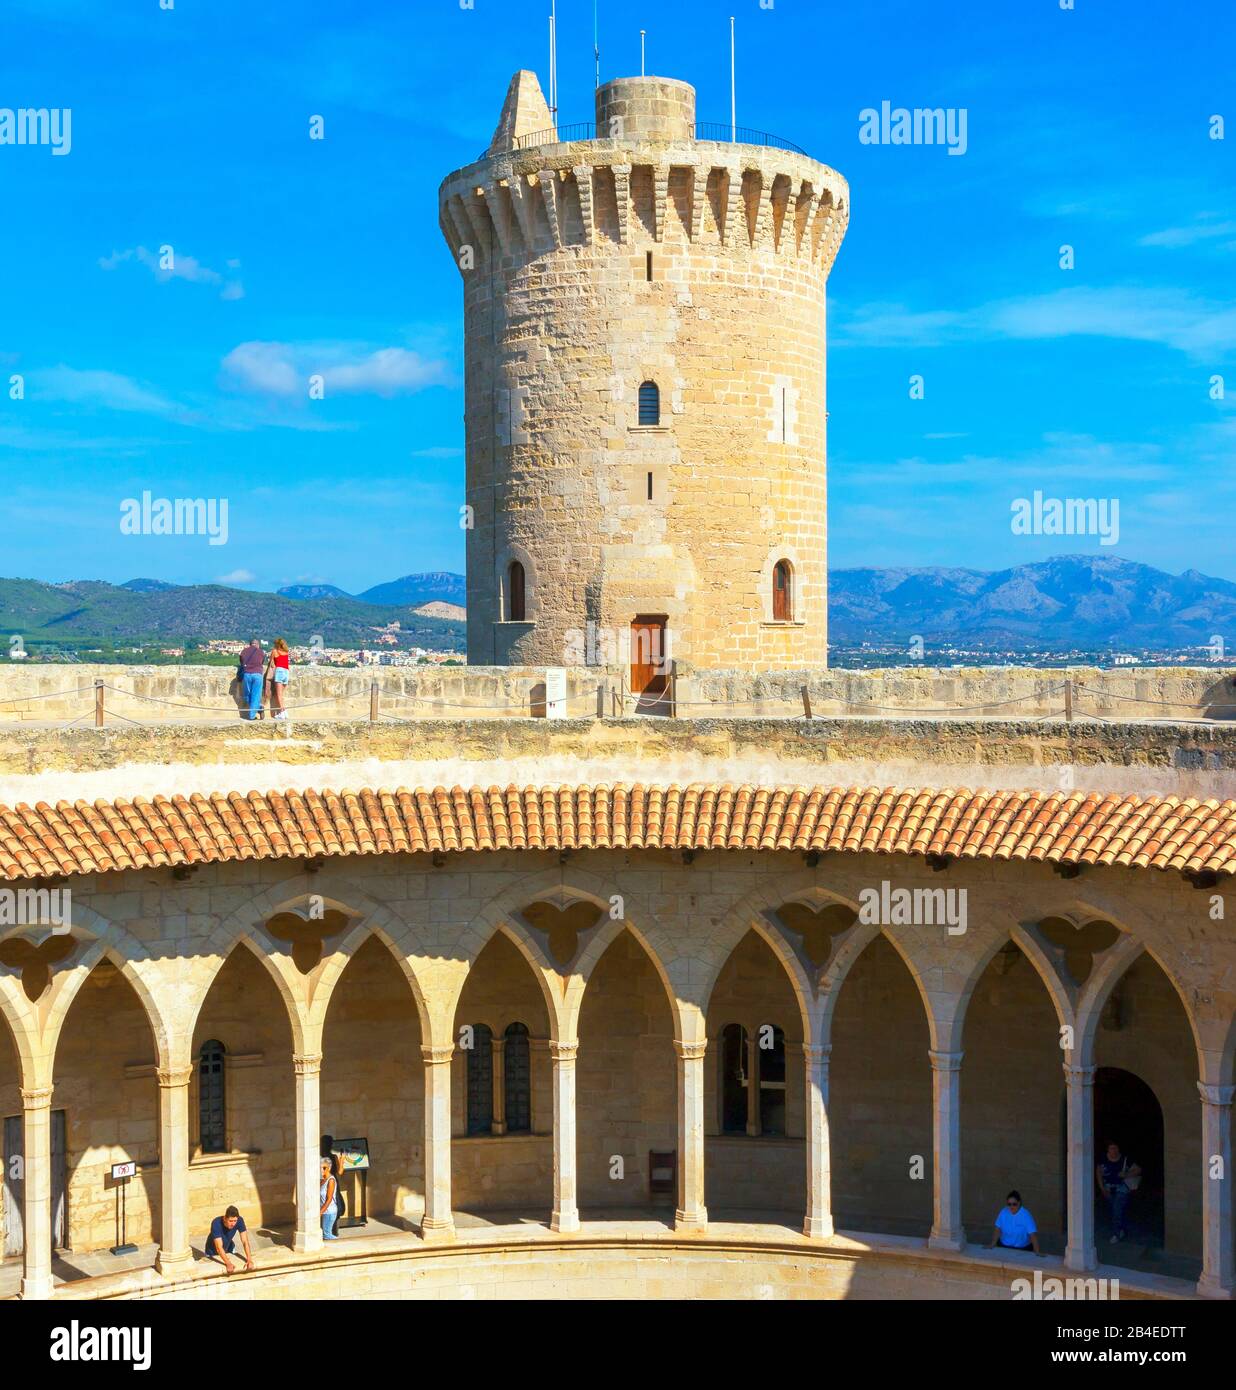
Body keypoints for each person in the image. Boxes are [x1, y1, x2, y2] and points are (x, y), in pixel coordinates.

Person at [1096, 1141, 1141, 1244]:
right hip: (1108, 1188)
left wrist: (1126, 1174)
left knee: (1117, 1209)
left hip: (1122, 1188)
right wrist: (1101, 1187)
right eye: (1111, 1148)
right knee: (1117, 1210)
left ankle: (1116, 1234)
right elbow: (1098, 1172)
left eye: (1115, 1148)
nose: (1113, 1151)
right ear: (1108, 1149)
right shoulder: (1103, 1158)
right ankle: (1122, 1229)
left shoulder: (1124, 1159)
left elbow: (1138, 1169)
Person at [206, 1204, 255, 1273]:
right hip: (212, 1251)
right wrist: (228, 1263)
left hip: (229, 1247)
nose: (233, 1224)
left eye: (235, 1221)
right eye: (230, 1221)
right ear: (225, 1218)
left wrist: (249, 1260)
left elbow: (245, 1241)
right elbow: (219, 1247)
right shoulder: (216, 1223)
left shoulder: (239, 1220)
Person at [238, 636, 265, 721]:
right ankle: (253, 715)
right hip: (257, 674)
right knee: (256, 695)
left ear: (250, 645)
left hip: (247, 675)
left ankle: (257, 709)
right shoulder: (261, 652)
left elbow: (241, 662)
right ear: (258, 645)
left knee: (247, 695)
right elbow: (262, 662)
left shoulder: (244, 651)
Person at [266, 637, 291, 720]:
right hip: (286, 672)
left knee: (278, 695)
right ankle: (284, 713)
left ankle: (282, 712)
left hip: (279, 671)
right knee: (281, 695)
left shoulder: (275, 651)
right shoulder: (286, 652)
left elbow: (271, 663)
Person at [320, 1157, 340, 1239]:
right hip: (324, 1211)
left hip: (329, 1212)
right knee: (324, 1234)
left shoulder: (331, 1180)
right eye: (321, 1168)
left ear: (329, 1168)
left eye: (324, 1168)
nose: (322, 1170)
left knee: (326, 1235)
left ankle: (340, 1245)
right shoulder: (321, 1180)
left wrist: (320, 1212)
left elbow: (329, 1199)